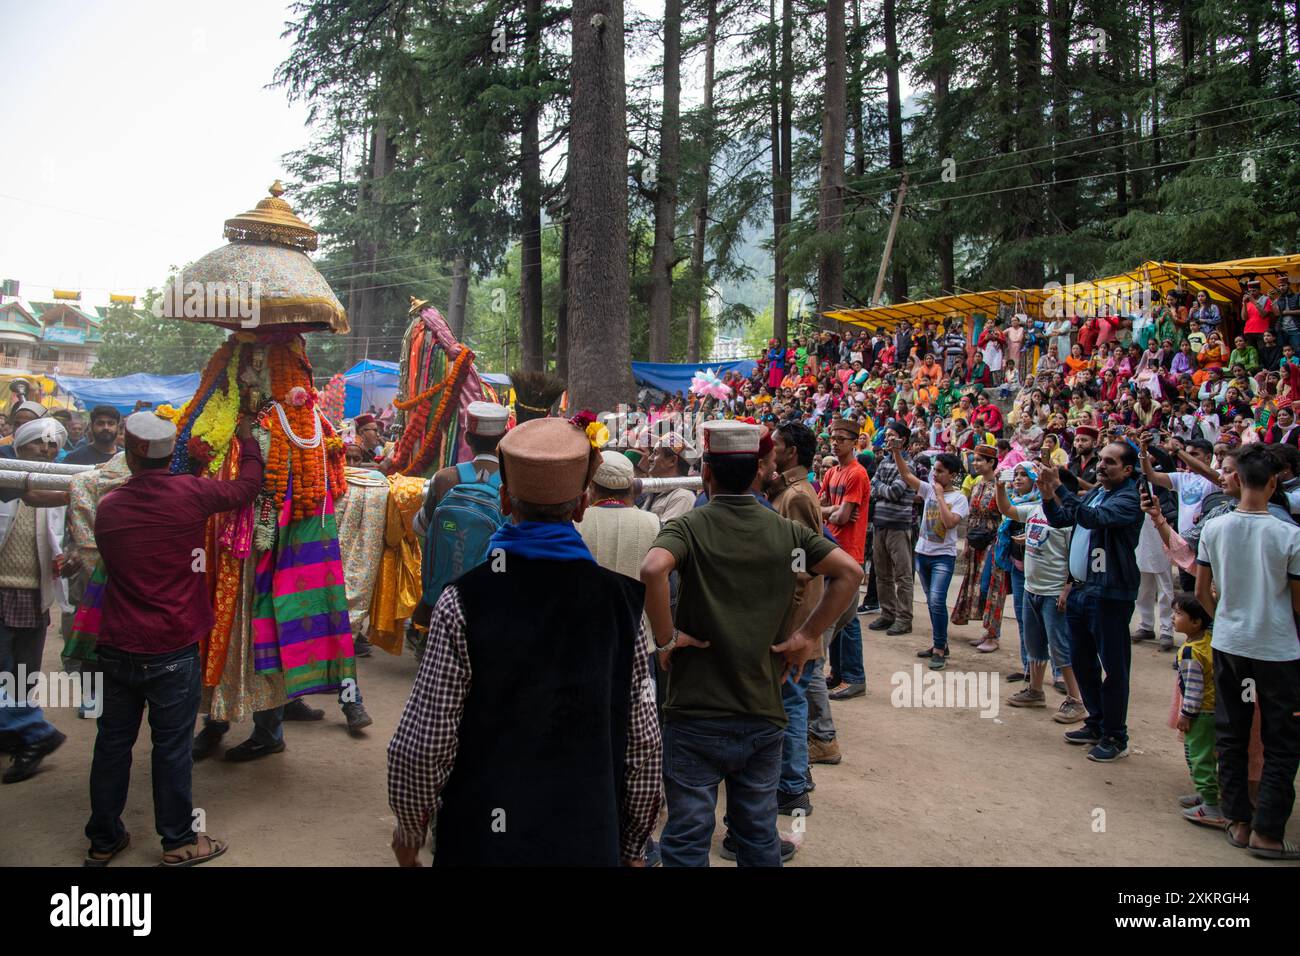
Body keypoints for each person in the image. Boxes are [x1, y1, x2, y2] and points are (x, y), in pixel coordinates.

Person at [388, 416, 662, 866]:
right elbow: (644, 744)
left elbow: (424, 743)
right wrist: (632, 845)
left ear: (503, 499)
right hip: (587, 839)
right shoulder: (621, 603)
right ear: (581, 507)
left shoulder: (464, 600)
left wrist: (410, 829)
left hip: (481, 842)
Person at [641, 420, 861, 867]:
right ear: (760, 470)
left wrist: (666, 640)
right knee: (758, 834)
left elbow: (652, 570)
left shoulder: (690, 526)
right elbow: (850, 574)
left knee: (686, 837)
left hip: (696, 709)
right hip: (762, 707)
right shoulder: (786, 532)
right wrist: (806, 636)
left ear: (706, 473)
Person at [84, 411, 263, 865]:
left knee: (111, 744)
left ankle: (103, 840)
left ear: (128, 455)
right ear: (171, 456)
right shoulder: (191, 494)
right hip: (171, 648)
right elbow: (246, 489)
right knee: (171, 748)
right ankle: (179, 840)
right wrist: (249, 441)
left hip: (117, 645)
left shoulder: (110, 507)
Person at [1194, 443, 1300, 860]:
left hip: (1229, 643)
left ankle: (1238, 822)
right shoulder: (1289, 534)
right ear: (1274, 483)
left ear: (1237, 479)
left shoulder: (1214, 528)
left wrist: (1225, 619)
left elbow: (1202, 591)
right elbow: (1296, 601)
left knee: (1231, 733)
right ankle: (1268, 833)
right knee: (1282, 741)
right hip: (1276, 648)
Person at [1039, 441, 1143, 762]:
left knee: (1113, 668)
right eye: (1100, 460)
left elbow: (1092, 519)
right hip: (1083, 590)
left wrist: (1060, 485)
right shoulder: (1099, 491)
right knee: (1083, 662)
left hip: (1110, 593)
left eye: (1109, 462)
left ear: (1127, 469)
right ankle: (1096, 722)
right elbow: (1061, 519)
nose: (1101, 465)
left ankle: (1116, 734)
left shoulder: (1129, 498)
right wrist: (1047, 495)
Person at [0, 417, 74, 784]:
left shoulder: (59, 488)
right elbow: (24, 493)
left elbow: (69, 533)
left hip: (35, 591)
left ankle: (21, 734)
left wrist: (72, 557)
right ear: (19, 448)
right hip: (1, 587)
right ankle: (34, 730)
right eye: (36, 445)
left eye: (51, 446)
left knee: (22, 675)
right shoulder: (5, 480)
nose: (45, 450)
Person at [767, 420, 832, 813]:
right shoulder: (787, 492)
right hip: (792, 614)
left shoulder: (797, 497)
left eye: (774, 444)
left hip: (797, 618)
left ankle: (792, 787)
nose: (769, 449)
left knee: (791, 701)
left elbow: (805, 559)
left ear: (790, 452)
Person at [994, 463, 1085, 721]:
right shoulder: (1036, 509)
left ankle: (1076, 699)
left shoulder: (1069, 521)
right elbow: (1008, 510)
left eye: (1047, 482)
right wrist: (1000, 488)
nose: (1040, 485)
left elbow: (1074, 559)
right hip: (1032, 587)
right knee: (1034, 644)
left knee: (1059, 647)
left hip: (1053, 592)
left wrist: (1066, 590)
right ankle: (1035, 690)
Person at [888, 442, 968, 669]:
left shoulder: (959, 498)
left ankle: (940, 649)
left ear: (952, 475)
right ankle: (939, 642)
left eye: (941, 470)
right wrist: (896, 451)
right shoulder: (928, 488)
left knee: (936, 601)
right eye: (935, 469)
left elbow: (950, 522)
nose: (935, 473)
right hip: (923, 554)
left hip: (943, 556)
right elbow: (905, 474)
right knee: (932, 603)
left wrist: (941, 497)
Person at [820, 417, 870, 700]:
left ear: (854, 442)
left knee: (846, 619)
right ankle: (838, 672)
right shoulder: (832, 472)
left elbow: (836, 514)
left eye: (842, 439)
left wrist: (830, 511)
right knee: (835, 614)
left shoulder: (857, 473)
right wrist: (832, 510)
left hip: (850, 551)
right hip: (834, 548)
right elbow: (822, 508)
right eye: (834, 438)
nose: (836, 443)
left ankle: (854, 676)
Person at [1168, 593, 1222, 828]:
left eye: (1179, 614)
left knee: (1198, 758)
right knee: (1207, 756)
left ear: (1197, 622)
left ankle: (1211, 805)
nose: (1173, 618)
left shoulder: (1191, 653)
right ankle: (1206, 795)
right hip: (1214, 711)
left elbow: (1194, 690)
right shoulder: (1208, 642)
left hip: (1201, 713)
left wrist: (1186, 715)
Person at [867, 420, 916, 637]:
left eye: (890, 435)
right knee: (882, 573)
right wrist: (880, 489)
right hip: (880, 523)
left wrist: (879, 489)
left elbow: (895, 491)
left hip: (898, 525)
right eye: (886, 435)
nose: (886, 439)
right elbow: (873, 486)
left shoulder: (908, 465)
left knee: (902, 574)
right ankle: (888, 613)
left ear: (902, 439)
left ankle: (904, 618)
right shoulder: (884, 462)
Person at [952, 444, 1002, 652]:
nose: (975, 463)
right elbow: (972, 516)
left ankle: (993, 634)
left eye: (980, 460)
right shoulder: (977, 484)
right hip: (976, 541)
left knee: (991, 587)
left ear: (991, 463)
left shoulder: (1000, 485)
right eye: (974, 460)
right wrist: (966, 544)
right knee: (980, 586)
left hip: (993, 541)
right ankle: (988, 632)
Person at [639, 432, 698, 523]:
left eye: (655, 453)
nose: (650, 458)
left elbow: (662, 534)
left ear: (672, 461)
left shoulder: (682, 497)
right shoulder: (656, 492)